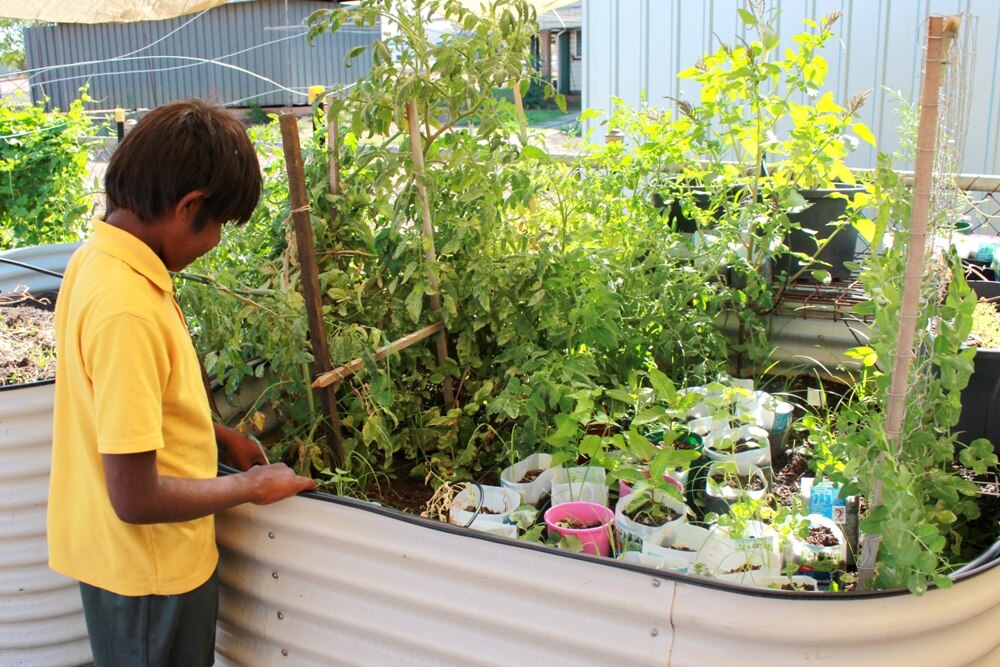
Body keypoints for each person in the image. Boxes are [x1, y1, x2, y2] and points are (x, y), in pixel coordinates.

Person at [48, 99, 317, 666]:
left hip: (120, 561)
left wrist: (218, 437)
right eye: (217, 223)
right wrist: (252, 487)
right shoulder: (128, 310)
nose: (217, 238)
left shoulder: (98, 261)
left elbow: (128, 409)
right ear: (188, 205)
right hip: (151, 574)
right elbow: (136, 496)